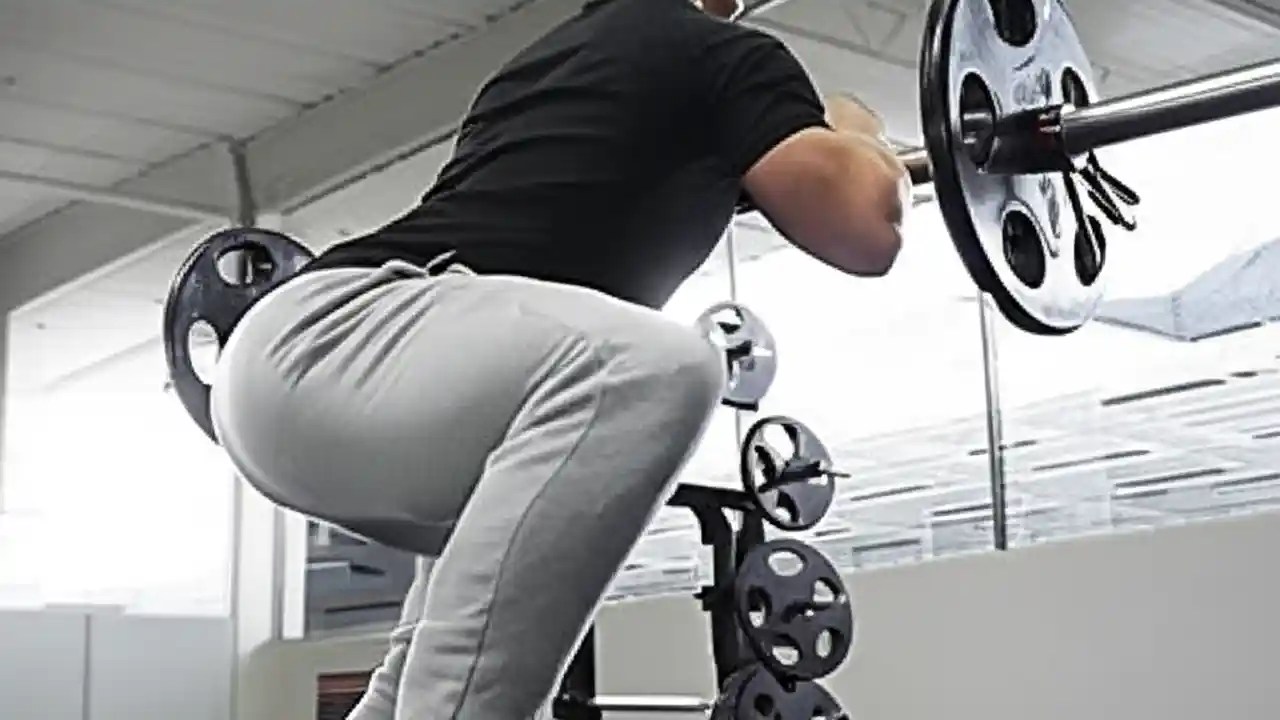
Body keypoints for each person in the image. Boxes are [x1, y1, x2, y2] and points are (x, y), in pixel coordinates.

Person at [209, 0, 909, 717]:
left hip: (320, 369)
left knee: (414, 676)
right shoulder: (722, 54)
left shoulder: (548, 64)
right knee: (658, 370)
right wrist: (855, 129)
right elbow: (865, 226)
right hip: (351, 337)